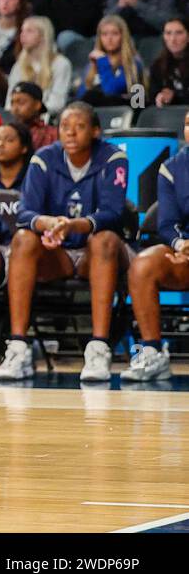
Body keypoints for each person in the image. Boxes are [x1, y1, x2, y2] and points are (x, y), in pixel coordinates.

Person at [0, 101, 131, 382]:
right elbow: (24, 212)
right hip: (55, 253)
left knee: (104, 239)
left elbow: (113, 213)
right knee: (23, 238)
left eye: (79, 127)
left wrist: (74, 225)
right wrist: (48, 223)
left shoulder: (113, 158)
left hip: (95, 254)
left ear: (95, 131)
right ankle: (19, 345)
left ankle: (98, 348)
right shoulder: (43, 159)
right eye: (65, 127)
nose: (70, 133)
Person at [123, 108, 189, 381]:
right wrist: (181, 244)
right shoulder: (172, 167)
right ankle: (152, 352)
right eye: (187, 123)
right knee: (143, 264)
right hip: (184, 253)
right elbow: (166, 223)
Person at [0, 80, 59, 161]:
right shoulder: (3, 132)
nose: (15, 109)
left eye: (21, 102)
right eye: (12, 103)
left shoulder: (51, 134)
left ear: (37, 105)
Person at [5, 16, 71, 116]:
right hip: (19, 119)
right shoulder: (18, 66)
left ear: (43, 35)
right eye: (22, 31)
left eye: (29, 31)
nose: (23, 35)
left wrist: (32, 113)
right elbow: (9, 102)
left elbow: (57, 102)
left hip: (47, 119)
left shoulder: (61, 64)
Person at [80, 14, 146, 106]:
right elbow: (82, 98)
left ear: (123, 36)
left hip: (123, 112)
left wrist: (103, 61)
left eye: (115, 33)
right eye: (104, 34)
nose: (109, 39)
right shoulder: (92, 65)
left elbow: (111, 91)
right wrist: (95, 66)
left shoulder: (133, 63)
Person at [150, 16, 189, 106]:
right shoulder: (157, 65)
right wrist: (160, 98)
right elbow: (151, 98)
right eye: (168, 33)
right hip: (168, 116)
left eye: (179, 33)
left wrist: (175, 96)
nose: (173, 39)